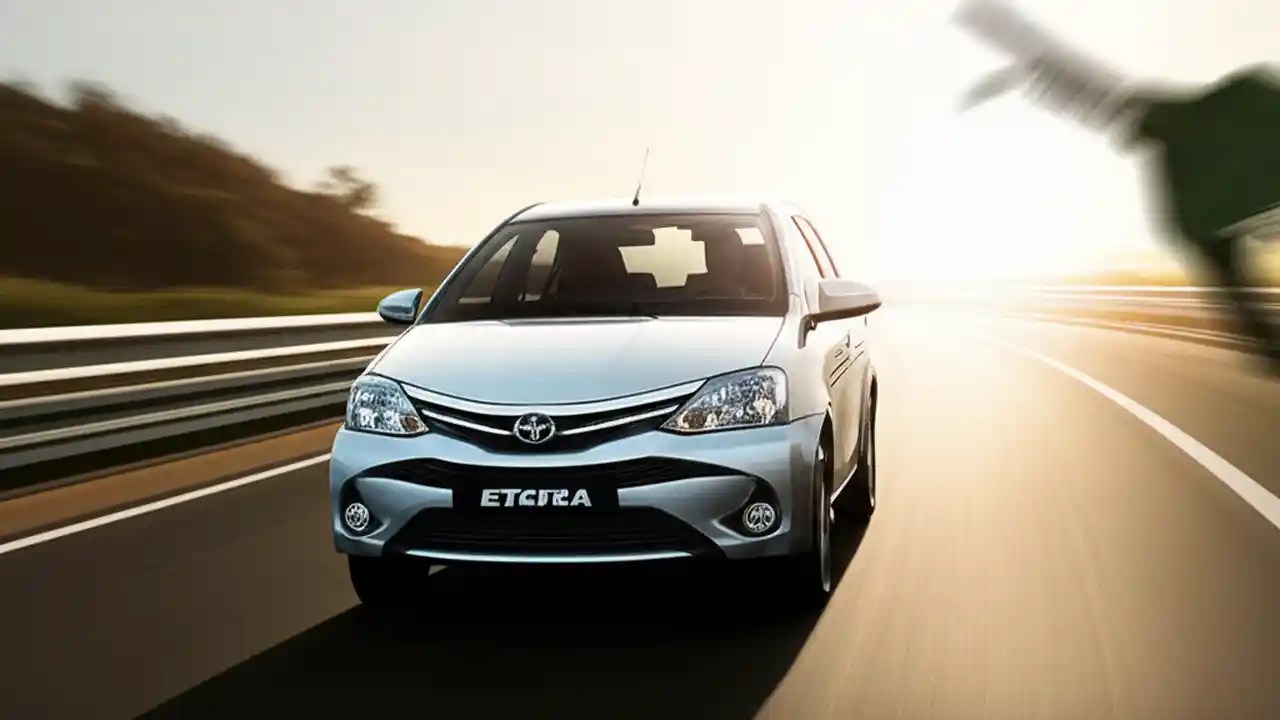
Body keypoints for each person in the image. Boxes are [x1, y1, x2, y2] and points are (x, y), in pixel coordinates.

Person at [955, 0, 1280, 372]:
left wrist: (1013, 53)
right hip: (1222, 184)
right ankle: (1269, 349)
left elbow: (1084, 85)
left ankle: (1268, 349)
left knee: (1209, 245)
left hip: (1220, 177)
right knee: (1212, 247)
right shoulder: (1202, 129)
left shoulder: (1193, 128)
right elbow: (1082, 85)